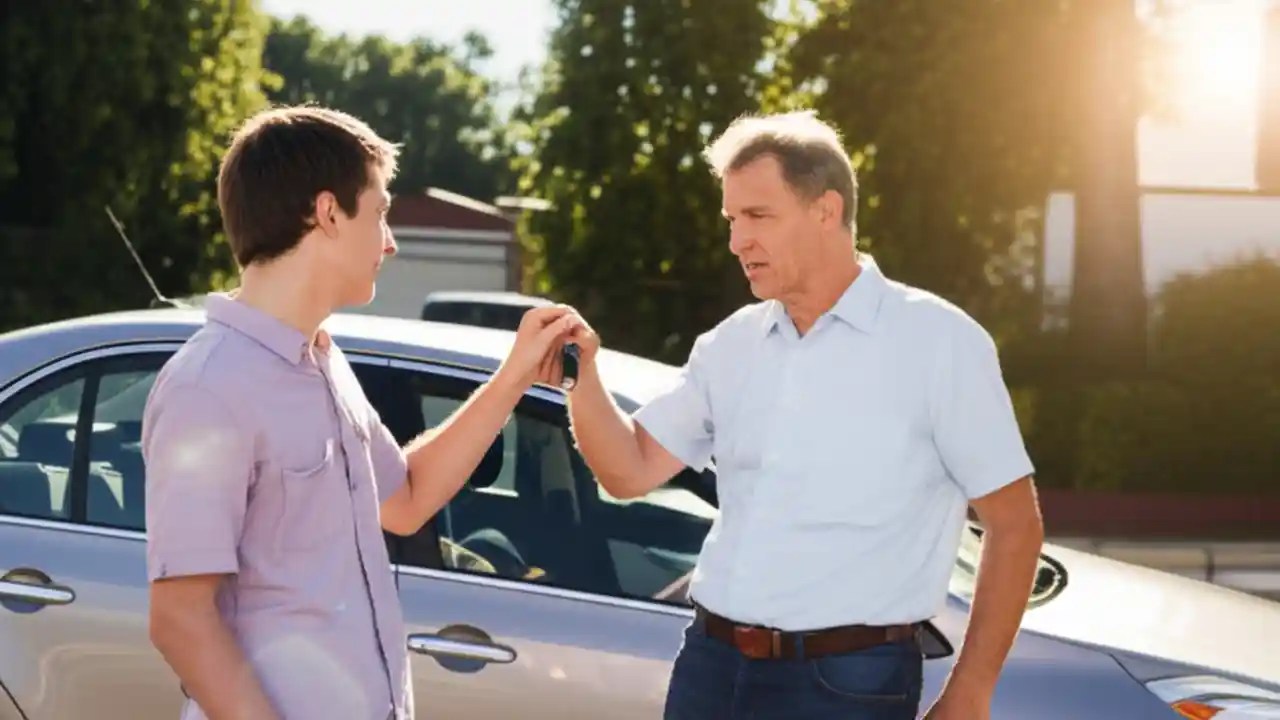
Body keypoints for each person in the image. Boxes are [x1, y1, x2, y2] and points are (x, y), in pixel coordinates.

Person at [561, 110, 1045, 720]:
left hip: (845, 683)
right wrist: (583, 376)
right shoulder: (729, 345)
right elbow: (627, 471)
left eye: (758, 216)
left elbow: (1015, 526)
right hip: (711, 664)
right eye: (732, 220)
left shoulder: (940, 342)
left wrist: (971, 693)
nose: (738, 241)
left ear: (826, 210)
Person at [142, 105, 580, 720]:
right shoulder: (208, 386)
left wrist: (514, 376)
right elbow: (182, 620)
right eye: (379, 213)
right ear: (326, 213)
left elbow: (404, 498)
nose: (391, 240)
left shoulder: (323, 359)